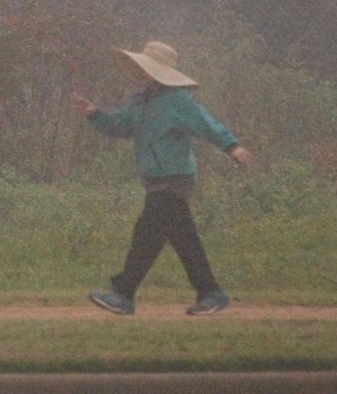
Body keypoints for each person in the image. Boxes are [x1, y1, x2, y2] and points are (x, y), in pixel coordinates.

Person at [73, 40, 253, 316]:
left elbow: (207, 125)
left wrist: (233, 146)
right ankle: (210, 292)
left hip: (174, 178)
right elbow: (122, 126)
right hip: (156, 180)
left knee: (147, 234)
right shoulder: (141, 102)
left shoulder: (178, 101)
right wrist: (95, 115)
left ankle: (124, 293)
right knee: (180, 238)